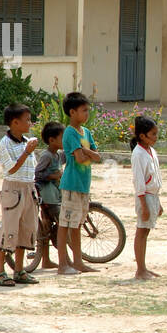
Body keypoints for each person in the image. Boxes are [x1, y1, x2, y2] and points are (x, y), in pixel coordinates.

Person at [0, 104, 39, 287]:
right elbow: (11, 169)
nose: (30, 123)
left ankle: (19, 270)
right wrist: (26, 152)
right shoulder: (5, 144)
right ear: (15, 122)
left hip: (28, 188)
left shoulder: (26, 141)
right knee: (8, 228)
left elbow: (31, 165)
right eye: (27, 120)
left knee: (26, 228)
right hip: (13, 189)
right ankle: (0, 272)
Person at [56, 91, 102, 275]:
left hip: (84, 184)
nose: (87, 114)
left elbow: (96, 156)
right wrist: (87, 152)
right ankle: (62, 264)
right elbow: (81, 158)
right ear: (72, 112)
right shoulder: (69, 132)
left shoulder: (87, 132)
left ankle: (78, 262)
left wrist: (85, 151)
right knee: (65, 224)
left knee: (76, 224)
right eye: (84, 110)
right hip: (71, 184)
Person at [130, 115, 163, 280]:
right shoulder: (138, 154)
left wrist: (159, 203)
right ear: (142, 136)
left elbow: (155, 176)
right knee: (141, 231)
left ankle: (143, 267)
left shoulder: (151, 151)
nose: (156, 137)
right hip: (145, 197)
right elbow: (139, 181)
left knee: (145, 232)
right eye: (153, 134)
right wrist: (144, 205)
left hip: (153, 196)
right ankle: (140, 269)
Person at [34, 121, 65, 271]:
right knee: (61, 223)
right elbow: (37, 173)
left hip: (55, 193)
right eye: (62, 137)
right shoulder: (46, 156)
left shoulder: (58, 154)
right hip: (48, 195)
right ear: (52, 140)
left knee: (47, 226)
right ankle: (65, 259)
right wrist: (53, 175)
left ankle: (46, 260)